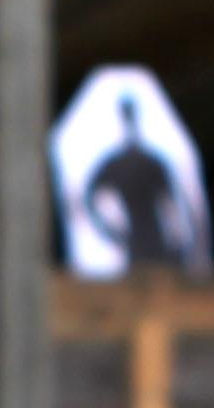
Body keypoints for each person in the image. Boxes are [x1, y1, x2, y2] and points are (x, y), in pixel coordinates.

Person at [78, 94, 205, 278]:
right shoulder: (120, 163)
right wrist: (110, 232)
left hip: (158, 242)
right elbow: (88, 196)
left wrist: (182, 238)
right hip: (138, 244)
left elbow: (173, 203)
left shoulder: (150, 161)